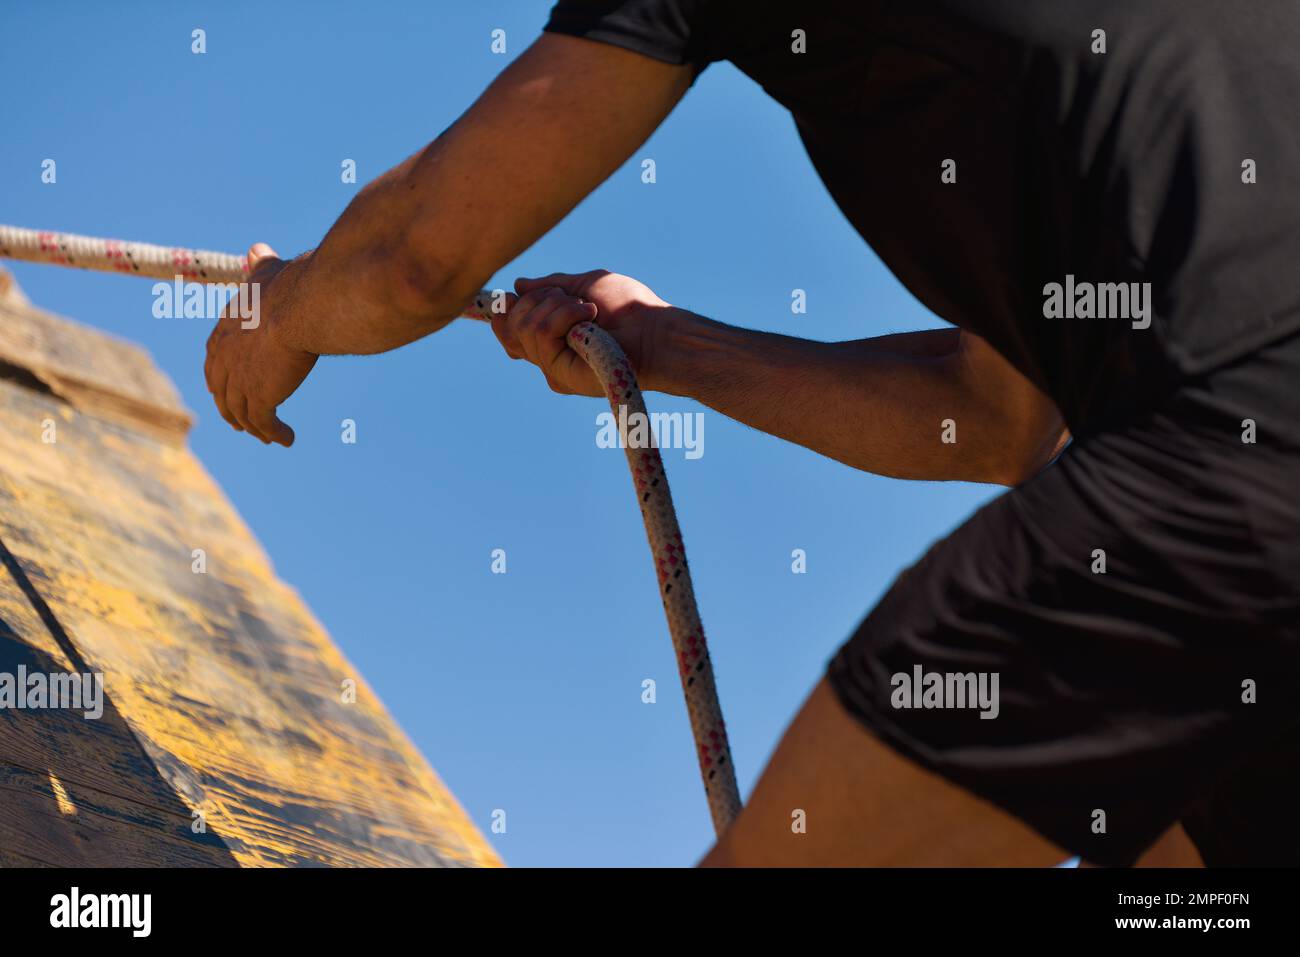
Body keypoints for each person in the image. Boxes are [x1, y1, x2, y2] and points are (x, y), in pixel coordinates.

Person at [205, 2, 1300, 866]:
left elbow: (411, 262)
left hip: (1233, 466)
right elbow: (995, 421)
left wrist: (280, 311)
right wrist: (661, 344)